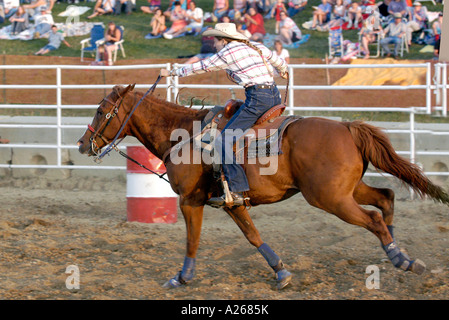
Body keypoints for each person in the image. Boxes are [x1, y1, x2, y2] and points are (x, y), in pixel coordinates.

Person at [160, 23, 288, 207]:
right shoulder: (255, 46)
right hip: (273, 95)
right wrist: (282, 71)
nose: (214, 45)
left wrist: (172, 72)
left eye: (215, 40)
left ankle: (235, 189)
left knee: (223, 140)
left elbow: (203, 66)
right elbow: (279, 62)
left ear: (223, 40)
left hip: (257, 98)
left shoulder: (228, 52)